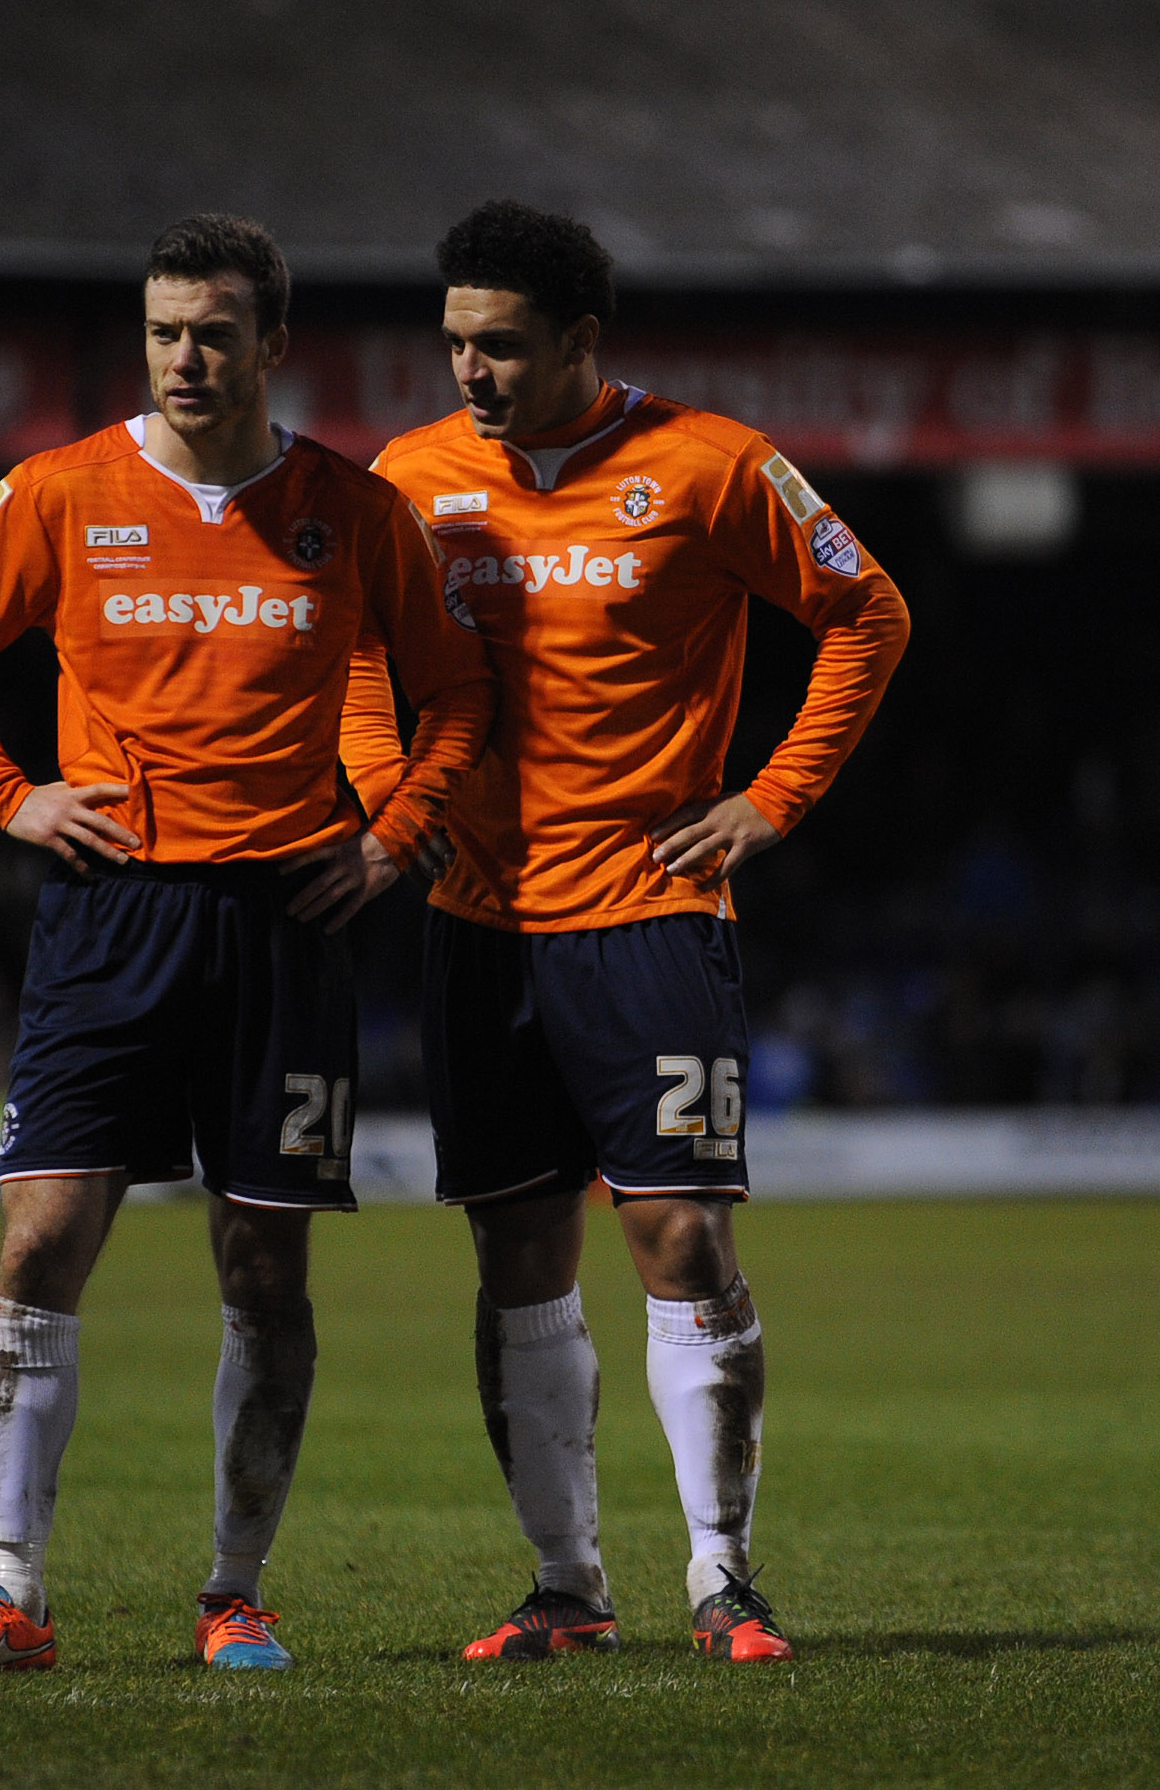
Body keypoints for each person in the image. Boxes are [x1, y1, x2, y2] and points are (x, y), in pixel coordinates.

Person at [0, 214, 494, 1674]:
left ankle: (235, 1594)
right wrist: (15, 795)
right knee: (39, 1242)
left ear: (275, 345)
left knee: (265, 1275)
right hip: (112, 916)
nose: (185, 359)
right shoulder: (60, 490)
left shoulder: (349, 511)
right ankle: (10, 1598)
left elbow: (459, 694)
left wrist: (396, 836)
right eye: (164, 332)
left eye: (216, 332)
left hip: (286, 925)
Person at [342, 200, 910, 1663]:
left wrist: (772, 802)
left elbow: (868, 613)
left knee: (676, 1234)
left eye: (505, 348)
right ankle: (566, 1588)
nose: (472, 373)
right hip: (478, 924)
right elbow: (356, 653)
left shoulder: (713, 467)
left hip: (650, 908)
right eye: (457, 343)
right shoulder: (408, 479)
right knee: (518, 1255)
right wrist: (387, 804)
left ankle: (723, 1575)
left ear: (583, 341)